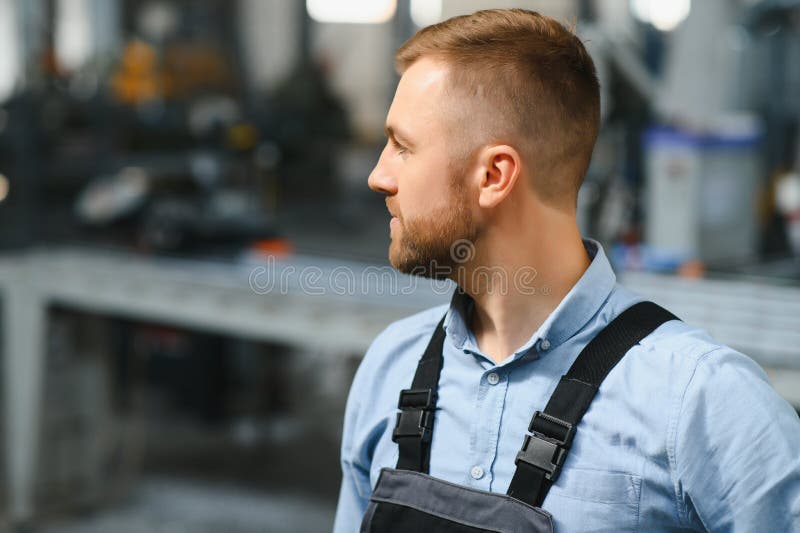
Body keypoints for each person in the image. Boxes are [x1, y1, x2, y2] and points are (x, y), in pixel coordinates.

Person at [333, 9, 800, 532]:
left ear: (493, 175)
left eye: (402, 147)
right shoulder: (390, 369)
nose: (379, 176)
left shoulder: (701, 404)